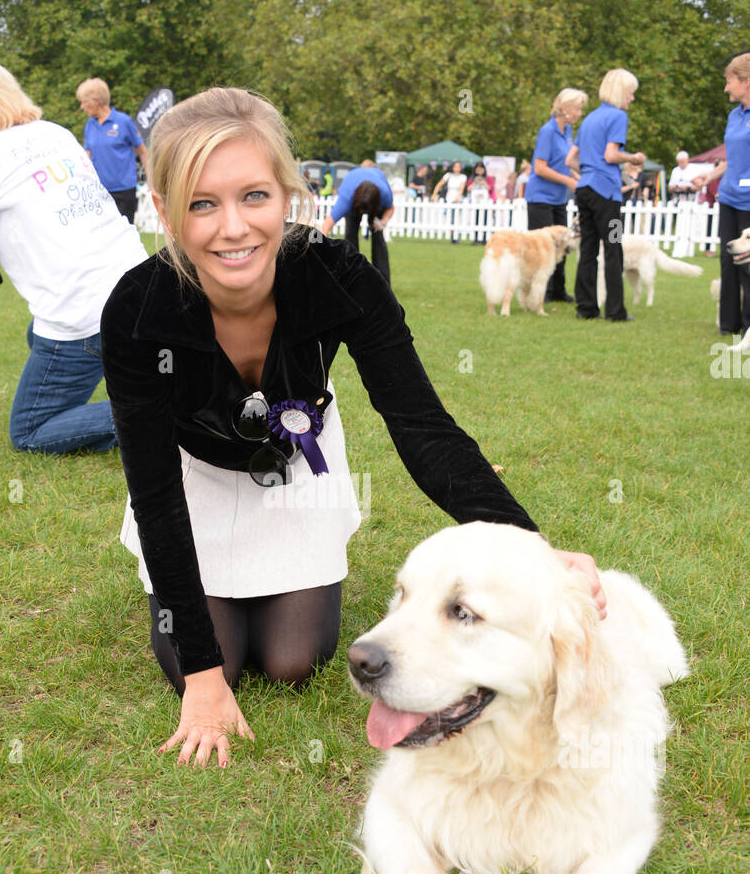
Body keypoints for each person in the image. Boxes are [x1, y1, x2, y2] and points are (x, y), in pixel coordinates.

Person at [99, 86, 606, 769]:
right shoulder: (136, 310)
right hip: (198, 481)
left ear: (288, 195)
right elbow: (157, 495)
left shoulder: (339, 277)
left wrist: (533, 552)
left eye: (254, 196)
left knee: (290, 662)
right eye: (200, 204)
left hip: (297, 471)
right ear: (161, 210)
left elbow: (422, 427)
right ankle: (199, 612)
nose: (233, 227)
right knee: (209, 657)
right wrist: (201, 675)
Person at [0, 54, 147, 453]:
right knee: (34, 332)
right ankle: (154, 384)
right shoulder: (54, 133)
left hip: (83, 318)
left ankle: (164, 410)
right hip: (142, 291)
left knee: (30, 431)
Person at [566, 69, 645, 322]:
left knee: (588, 248)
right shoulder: (618, 117)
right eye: (631, 93)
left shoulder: (589, 119)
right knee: (613, 248)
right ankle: (615, 311)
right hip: (606, 194)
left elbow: (571, 159)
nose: (632, 99)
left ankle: (586, 308)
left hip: (585, 190)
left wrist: (589, 170)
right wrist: (634, 158)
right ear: (622, 92)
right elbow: (611, 155)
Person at [691, 53, 750, 336]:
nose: (726, 88)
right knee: (728, 261)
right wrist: (710, 176)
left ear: (746, 81)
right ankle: (729, 324)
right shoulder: (734, 116)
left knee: (748, 263)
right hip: (728, 198)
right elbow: (732, 158)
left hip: (749, 201)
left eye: (729, 81)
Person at [525, 89, 588, 304]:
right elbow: (540, 168)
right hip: (541, 198)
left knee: (562, 245)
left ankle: (558, 290)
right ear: (564, 109)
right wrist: (568, 181)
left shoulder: (567, 131)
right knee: (542, 249)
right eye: (577, 108)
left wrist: (579, 176)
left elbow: (566, 163)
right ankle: (542, 291)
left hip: (559, 198)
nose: (580, 113)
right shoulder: (547, 131)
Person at [77, 78, 147, 224]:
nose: (82, 107)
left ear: (96, 101)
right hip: (99, 191)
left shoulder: (124, 121)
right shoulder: (89, 125)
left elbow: (143, 152)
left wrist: (152, 182)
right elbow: (86, 156)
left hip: (124, 191)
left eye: (84, 102)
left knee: (125, 236)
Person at [320, 159, 394, 283]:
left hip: (374, 201)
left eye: (364, 210)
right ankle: (351, 278)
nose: (362, 213)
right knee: (350, 238)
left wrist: (383, 221)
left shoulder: (384, 194)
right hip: (354, 199)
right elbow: (326, 225)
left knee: (378, 237)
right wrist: (321, 247)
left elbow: (390, 208)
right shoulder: (347, 199)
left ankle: (383, 282)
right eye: (361, 210)